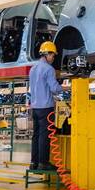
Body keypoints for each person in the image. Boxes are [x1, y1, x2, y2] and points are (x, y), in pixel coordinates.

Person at [28, 41, 61, 172]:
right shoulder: (49, 69)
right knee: (44, 135)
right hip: (45, 108)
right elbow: (54, 88)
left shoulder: (33, 69)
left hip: (34, 107)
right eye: (53, 55)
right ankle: (43, 163)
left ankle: (33, 163)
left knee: (35, 135)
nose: (53, 58)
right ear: (47, 54)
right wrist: (64, 87)